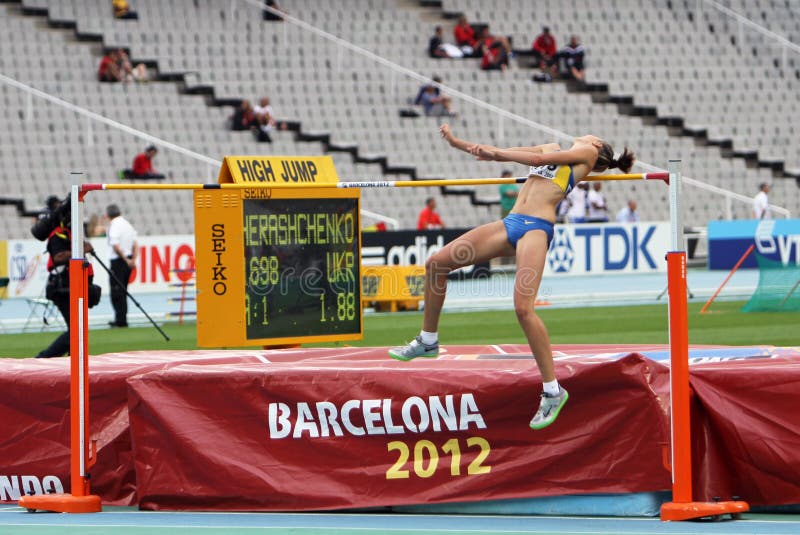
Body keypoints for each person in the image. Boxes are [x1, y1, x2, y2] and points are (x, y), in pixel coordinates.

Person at [390, 123, 635, 431]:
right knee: (436, 264)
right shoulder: (552, 148)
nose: (586, 134)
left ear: (597, 144)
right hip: (511, 223)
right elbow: (516, 155)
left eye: (591, 135)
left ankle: (552, 390)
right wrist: (459, 143)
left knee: (523, 308)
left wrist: (497, 154)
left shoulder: (585, 153)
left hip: (536, 227)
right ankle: (428, 340)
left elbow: (530, 162)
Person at [36, 209, 95, 357]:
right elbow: (58, 257)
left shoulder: (68, 234)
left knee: (77, 329)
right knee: (76, 330)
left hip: (70, 286)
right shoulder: (58, 235)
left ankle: (72, 359)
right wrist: (78, 250)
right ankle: (44, 358)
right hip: (62, 288)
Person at [106, 204, 138, 328]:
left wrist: (125, 259)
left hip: (118, 261)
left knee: (116, 292)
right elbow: (135, 243)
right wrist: (132, 259)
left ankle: (120, 320)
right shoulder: (127, 224)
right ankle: (122, 318)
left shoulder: (114, 225)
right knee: (123, 290)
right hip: (128, 260)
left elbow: (115, 245)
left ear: (108, 215)